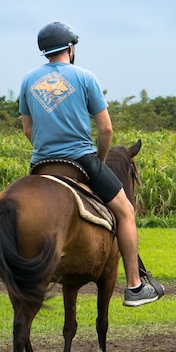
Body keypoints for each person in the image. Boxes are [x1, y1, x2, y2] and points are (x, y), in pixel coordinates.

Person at [19, 21, 164, 306]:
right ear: (70, 49)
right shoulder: (85, 77)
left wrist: (46, 147)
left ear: (45, 51)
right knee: (126, 211)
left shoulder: (28, 81)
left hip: (42, 164)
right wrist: (100, 159)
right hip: (81, 160)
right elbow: (106, 129)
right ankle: (135, 286)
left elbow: (27, 129)